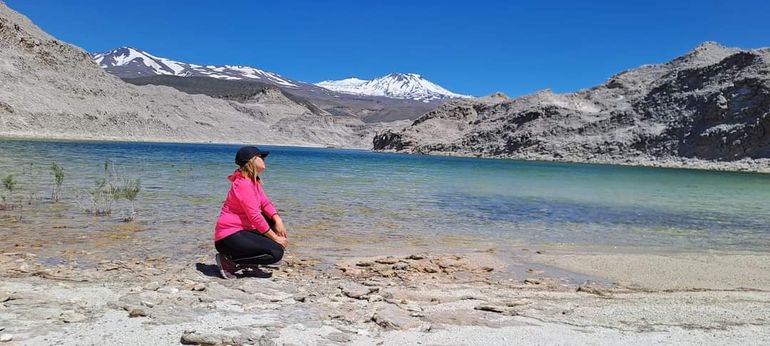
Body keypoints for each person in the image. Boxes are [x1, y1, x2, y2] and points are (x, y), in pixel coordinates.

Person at [213, 146, 288, 279]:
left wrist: (278, 220)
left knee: (271, 221)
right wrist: (276, 238)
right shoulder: (244, 185)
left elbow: (265, 203)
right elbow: (255, 217)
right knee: (276, 253)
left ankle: (251, 258)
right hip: (228, 237)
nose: (264, 160)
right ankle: (229, 261)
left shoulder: (252, 181)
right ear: (251, 160)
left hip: (242, 231)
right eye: (261, 157)